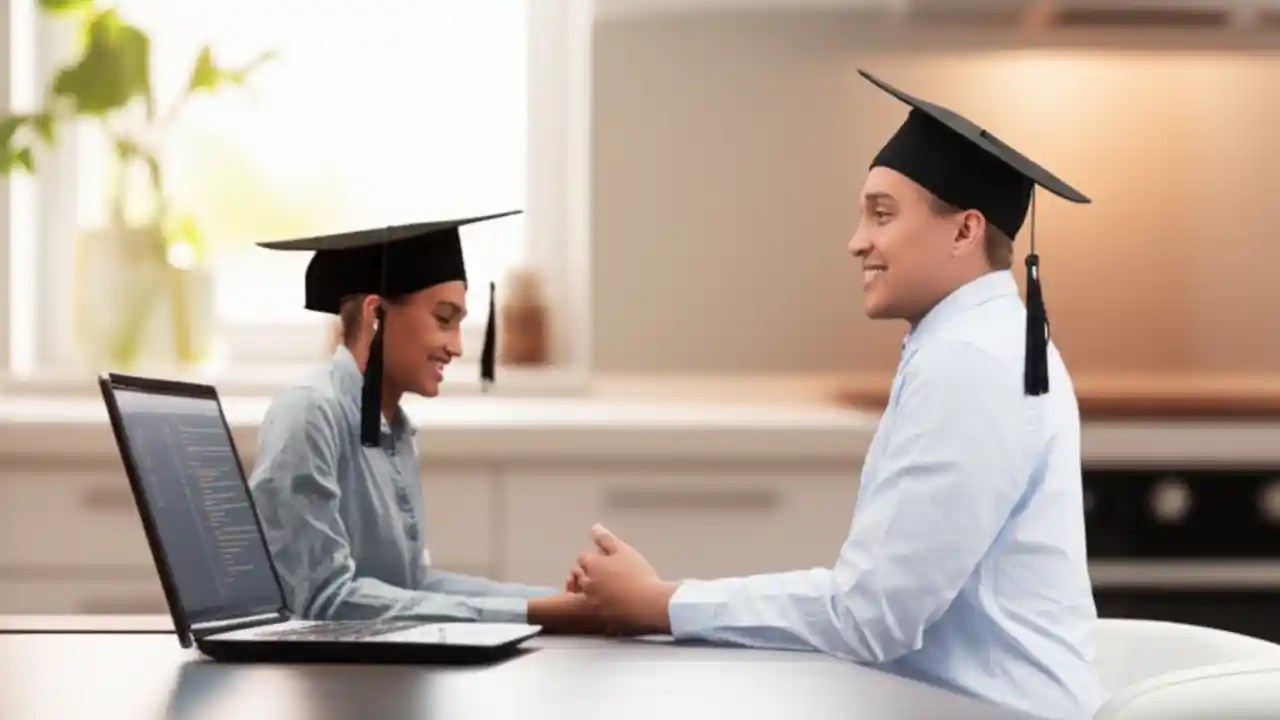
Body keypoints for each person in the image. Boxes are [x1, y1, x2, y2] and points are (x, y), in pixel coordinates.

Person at [569, 70, 1104, 717]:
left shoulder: (968, 361)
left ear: (964, 231)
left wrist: (660, 602)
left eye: (881, 214)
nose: (857, 242)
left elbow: (870, 617)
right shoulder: (986, 341)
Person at [248, 210, 598, 632]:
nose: (456, 347)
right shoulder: (309, 413)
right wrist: (540, 613)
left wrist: (561, 603)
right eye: (444, 320)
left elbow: (412, 586)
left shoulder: (394, 429)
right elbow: (323, 600)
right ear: (377, 316)